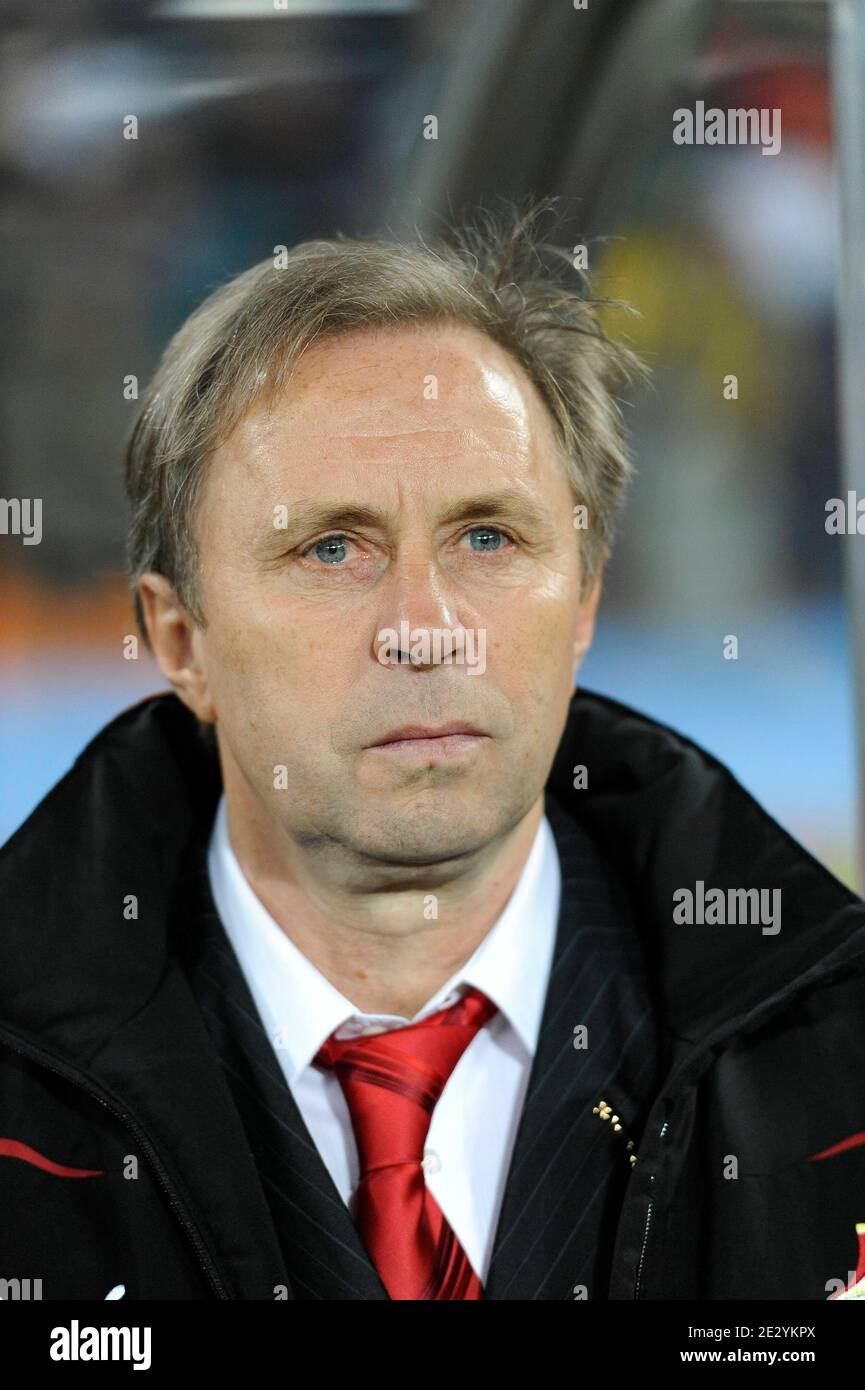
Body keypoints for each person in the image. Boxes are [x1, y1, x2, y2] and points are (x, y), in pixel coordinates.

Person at [2, 202, 864, 1302]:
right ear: (182, 640)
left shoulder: (837, 1049)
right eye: (331, 547)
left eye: (488, 537)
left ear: (587, 597)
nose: (425, 627)